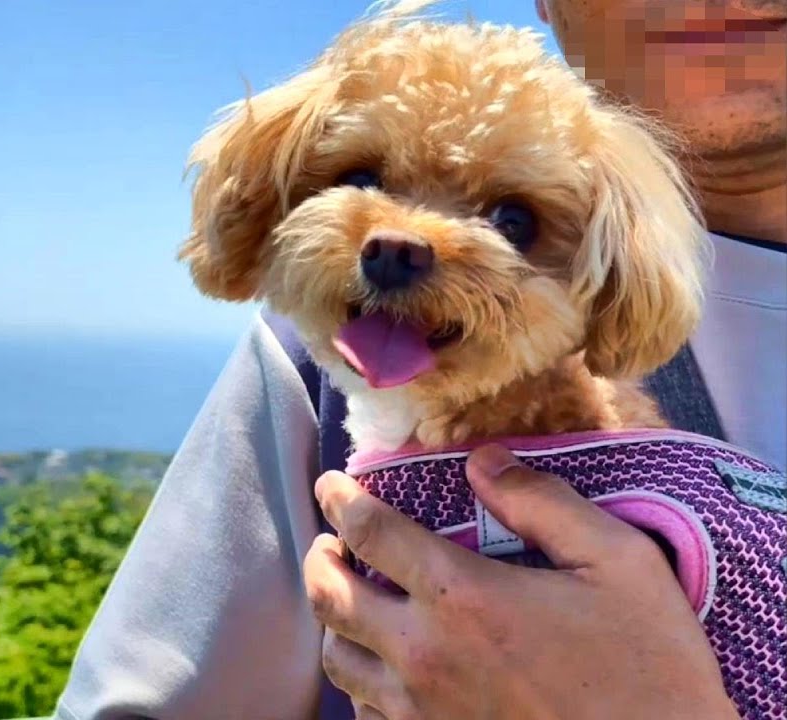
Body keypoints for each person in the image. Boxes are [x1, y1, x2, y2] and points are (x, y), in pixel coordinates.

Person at [55, 1, 785, 718]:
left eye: (510, 221)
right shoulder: (305, 372)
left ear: (602, 269)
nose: (400, 240)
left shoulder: (637, 490)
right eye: (361, 180)